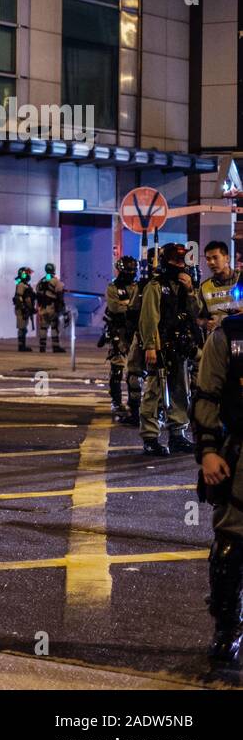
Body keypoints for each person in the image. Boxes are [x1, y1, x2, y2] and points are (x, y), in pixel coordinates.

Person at [189, 315, 243, 668]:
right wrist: (208, 451)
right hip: (239, 454)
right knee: (229, 544)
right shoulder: (229, 334)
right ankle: (227, 629)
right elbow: (206, 393)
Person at [138, 243, 201, 456]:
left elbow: (196, 312)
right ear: (166, 261)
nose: (180, 264)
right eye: (175, 260)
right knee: (154, 392)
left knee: (181, 391)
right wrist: (150, 347)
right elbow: (149, 319)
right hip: (160, 346)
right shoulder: (155, 286)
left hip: (180, 346)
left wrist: (190, 290)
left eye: (182, 260)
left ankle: (177, 435)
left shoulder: (184, 285)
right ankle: (150, 437)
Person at [102, 256, 140, 423]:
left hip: (135, 332)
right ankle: (116, 402)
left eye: (133, 272)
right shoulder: (113, 287)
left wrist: (129, 307)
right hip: (119, 331)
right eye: (127, 272)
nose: (130, 275)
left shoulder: (138, 287)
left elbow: (142, 306)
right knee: (117, 368)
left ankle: (135, 404)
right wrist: (131, 307)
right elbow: (115, 307)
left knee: (135, 371)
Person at [197, 240, 240, 333]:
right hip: (217, 339)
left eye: (215, 258)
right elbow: (198, 318)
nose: (211, 262)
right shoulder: (205, 287)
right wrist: (205, 323)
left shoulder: (241, 279)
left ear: (227, 258)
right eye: (208, 259)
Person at [35, 263, 67, 353]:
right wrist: (62, 307)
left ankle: (42, 347)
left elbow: (37, 292)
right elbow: (60, 295)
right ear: (53, 269)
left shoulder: (41, 281)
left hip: (42, 308)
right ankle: (55, 347)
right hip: (51, 307)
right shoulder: (55, 281)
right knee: (54, 326)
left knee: (43, 328)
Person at [12, 267, 36, 352]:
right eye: (28, 273)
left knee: (23, 328)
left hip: (24, 309)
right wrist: (24, 308)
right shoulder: (21, 285)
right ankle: (21, 347)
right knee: (22, 328)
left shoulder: (24, 285)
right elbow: (18, 298)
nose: (29, 275)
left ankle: (23, 346)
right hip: (21, 310)